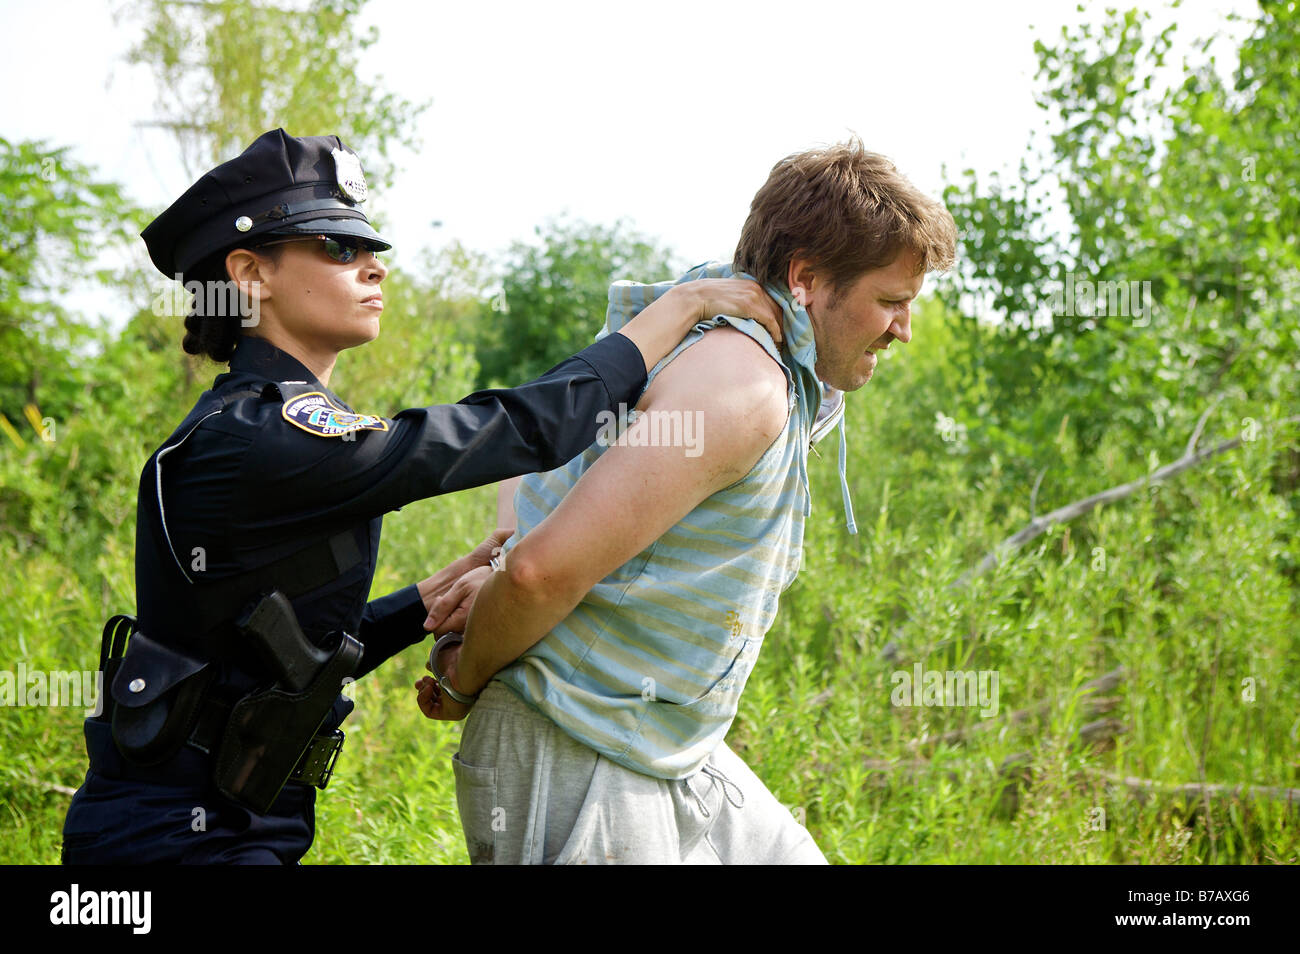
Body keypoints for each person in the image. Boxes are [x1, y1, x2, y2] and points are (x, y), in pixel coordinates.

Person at [60, 128, 782, 864]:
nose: (374, 267)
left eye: (372, 248)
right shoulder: (263, 434)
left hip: (233, 818)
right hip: (172, 836)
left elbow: (275, 657)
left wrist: (423, 603)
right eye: (339, 249)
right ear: (250, 274)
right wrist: (683, 305)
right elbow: (520, 429)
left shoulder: (270, 425)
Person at [418, 138, 958, 864]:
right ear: (805, 279)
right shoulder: (743, 384)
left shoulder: (731, 350)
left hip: (670, 746)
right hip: (576, 739)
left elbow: (539, 449)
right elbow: (538, 575)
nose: (904, 328)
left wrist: (510, 540)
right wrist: (464, 678)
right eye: (890, 302)